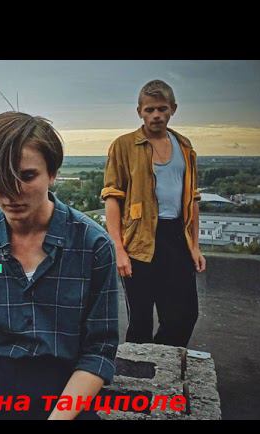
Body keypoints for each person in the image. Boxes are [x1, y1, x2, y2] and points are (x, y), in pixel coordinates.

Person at [0, 111, 119, 420]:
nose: (10, 192)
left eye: (27, 176)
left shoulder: (93, 245)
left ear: (52, 173)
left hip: (62, 397)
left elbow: (99, 351)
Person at [102, 79, 206, 348]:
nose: (156, 115)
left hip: (177, 237)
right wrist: (118, 249)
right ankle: (139, 370)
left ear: (173, 109)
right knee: (141, 322)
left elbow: (193, 199)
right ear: (140, 111)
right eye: (149, 110)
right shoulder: (124, 145)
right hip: (139, 241)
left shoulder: (184, 146)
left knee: (184, 316)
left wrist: (195, 245)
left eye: (162, 109)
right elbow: (112, 196)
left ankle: (160, 363)